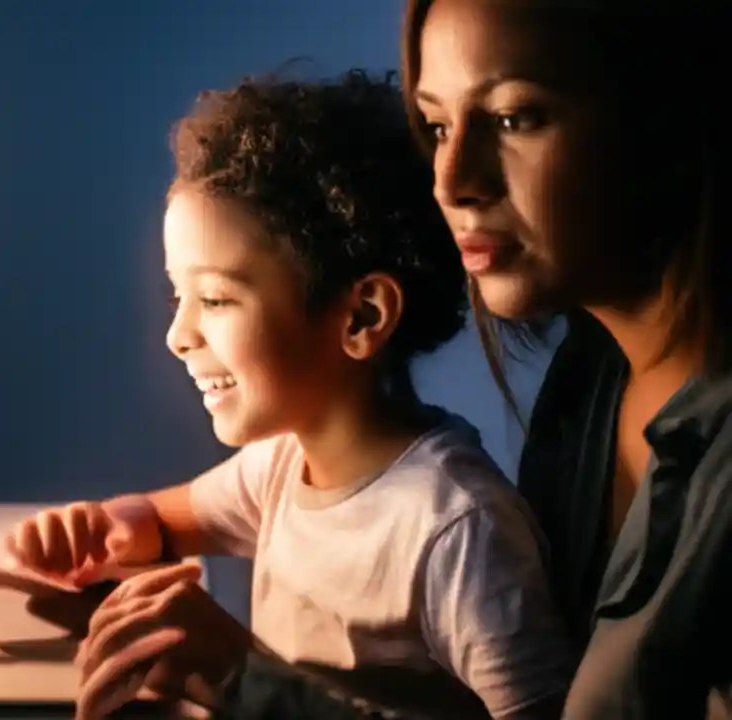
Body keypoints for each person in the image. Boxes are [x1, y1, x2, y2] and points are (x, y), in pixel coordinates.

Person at [75, 2, 732, 718]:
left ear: (663, 111)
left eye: (515, 118)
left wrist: (250, 684)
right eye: (438, 127)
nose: (450, 181)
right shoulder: (586, 383)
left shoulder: (464, 516)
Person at [0, 71, 573, 719]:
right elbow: (157, 522)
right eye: (178, 295)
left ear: (361, 317)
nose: (178, 336)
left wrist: (242, 675)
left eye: (215, 298)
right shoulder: (279, 466)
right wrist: (99, 529)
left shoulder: (457, 528)